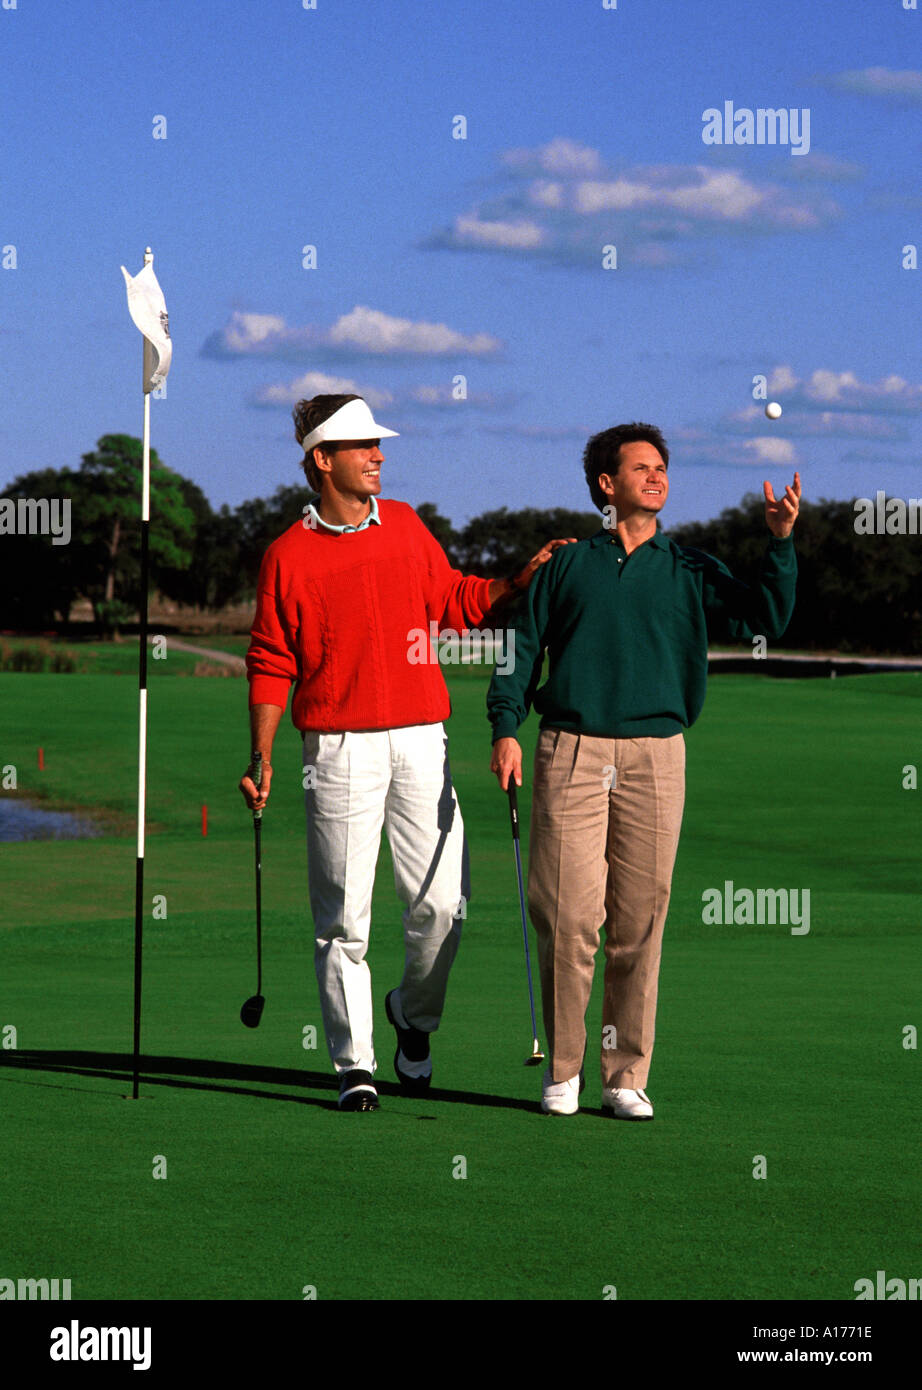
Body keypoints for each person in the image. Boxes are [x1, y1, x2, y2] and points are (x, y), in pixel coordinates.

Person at [239, 393, 573, 1111]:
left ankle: (412, 1018)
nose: (379, 456)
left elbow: (456, 600)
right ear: (322, 460)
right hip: (335, 748)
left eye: (378, 446)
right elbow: (270, 658)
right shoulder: (287, 557)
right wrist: (261, 755)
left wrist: (516, 582)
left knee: (443, 909)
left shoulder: (408, 527)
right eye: (364, 446)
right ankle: (353, 1066)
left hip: (423, 739)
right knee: (344, 920)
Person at [488, 422, 799, 1118]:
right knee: (568, 916)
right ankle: (563, 1071)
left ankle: (625, 1076)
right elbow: (520, 646)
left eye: (662, 468)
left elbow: (767, 615)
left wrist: (779, 543)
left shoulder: (688, 566)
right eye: (642, 468)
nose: (657, 477)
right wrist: (506, 726)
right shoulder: (568, 564)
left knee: (638, 921)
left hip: (658, 755)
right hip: (570, 746)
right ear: (607, 483)